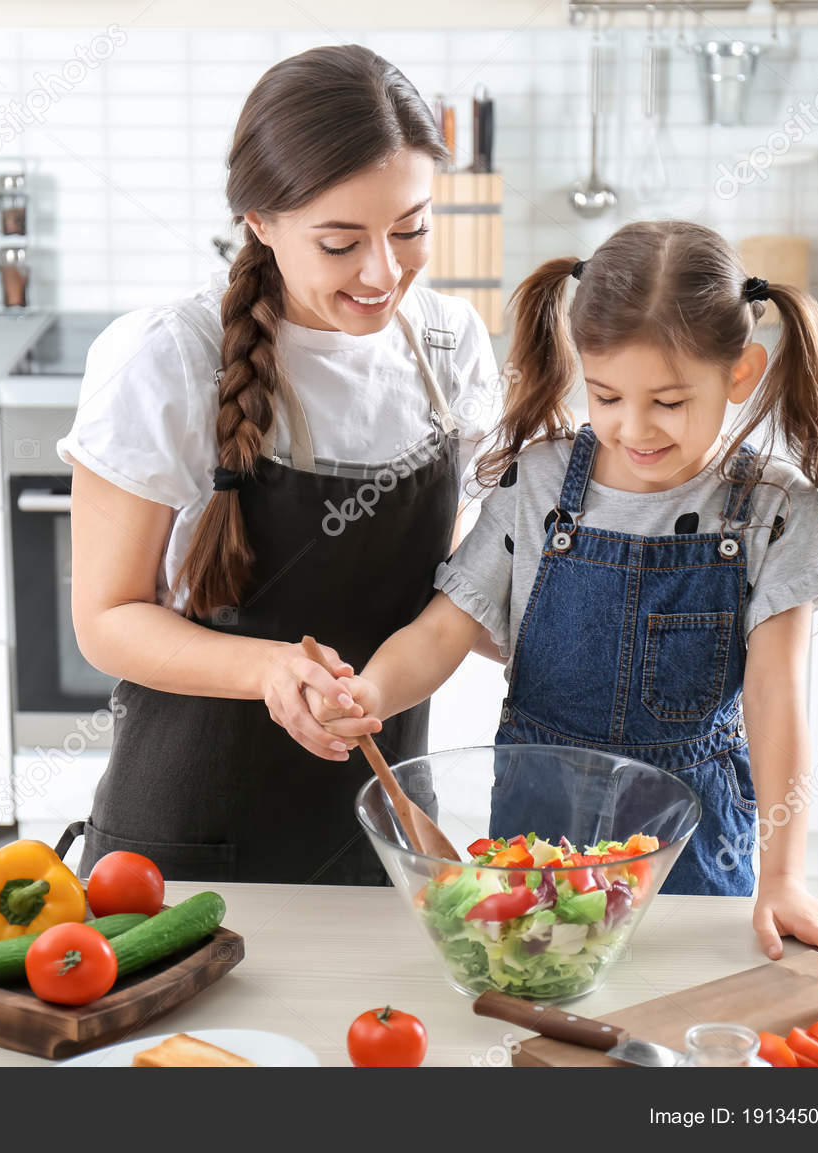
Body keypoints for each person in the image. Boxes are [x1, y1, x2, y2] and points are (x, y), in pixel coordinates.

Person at [292, 220, 818, 961]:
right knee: (539, 1006)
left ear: (740, 373)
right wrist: (373, 692)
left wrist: (786, 877)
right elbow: (444, 628)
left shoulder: (771, 509)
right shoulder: (540, 479)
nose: (631, 427)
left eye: (669, 402)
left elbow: (776, 702)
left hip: (688, 852)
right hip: (536, 835)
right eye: (605, 395)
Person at [57, 45, 502, 885]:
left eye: (410, 230)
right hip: (185, 846)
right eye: (340, 242)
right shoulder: (170, 357)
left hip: (387, 829)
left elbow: (461, 586)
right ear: (259, 219)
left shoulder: (450, 348)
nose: (384, 272)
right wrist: (268, 668)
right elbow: (106, 617)